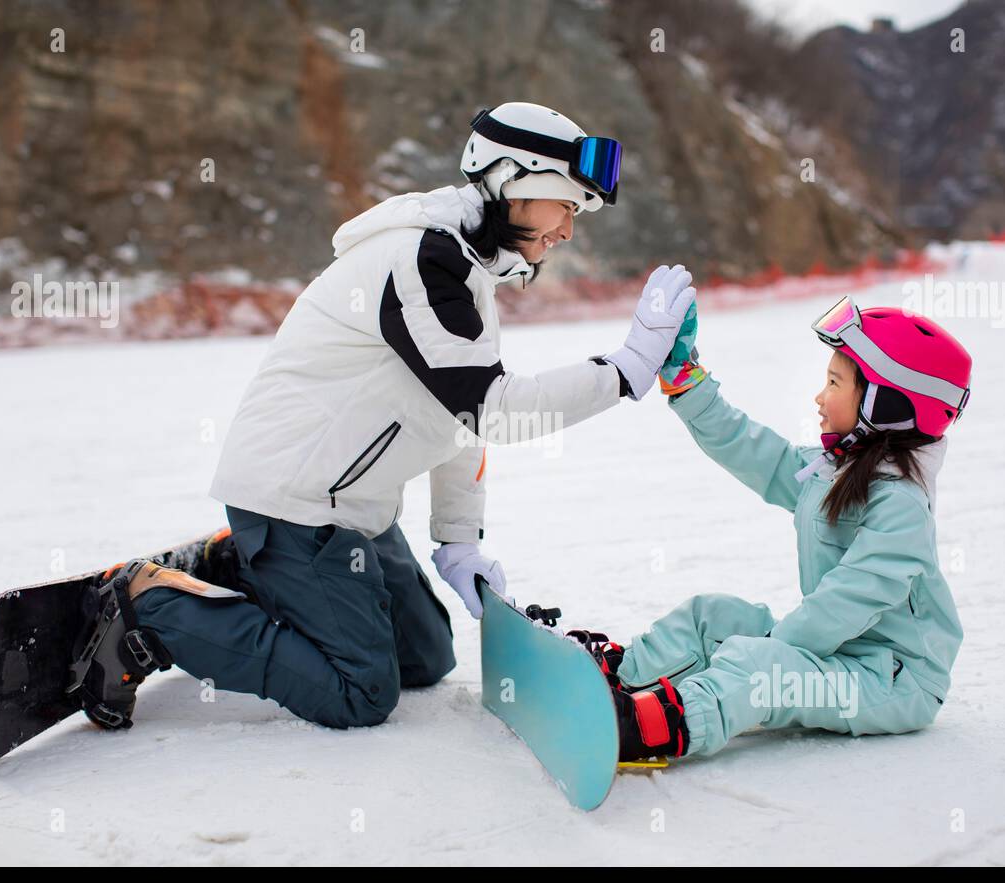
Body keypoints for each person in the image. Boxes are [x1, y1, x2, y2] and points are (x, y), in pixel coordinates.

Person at [68, 102, 696, 732]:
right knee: (360, 693)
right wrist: (624, 372)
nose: (567, 230)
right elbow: (494, 410)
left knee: (425, 657)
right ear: (515, 179)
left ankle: (243, 567)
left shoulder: (467, 271)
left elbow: (459, 418)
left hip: (354, 510)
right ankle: (147, 611)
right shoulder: (421, 261)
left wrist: (458, 539)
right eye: (566, 205)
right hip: (297, 502)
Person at [572, 295, 972, 761]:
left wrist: (759, 655)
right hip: (840, 653)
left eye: (834, 383)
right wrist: (687, 381)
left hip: (893, 682)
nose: (819, 397)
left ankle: (649, 727)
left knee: (758, 667)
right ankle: (619, 674)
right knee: (712, 617)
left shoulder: (902, 506)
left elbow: (841, 606)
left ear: (885, 403)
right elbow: (756, 452)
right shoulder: (834, 471)